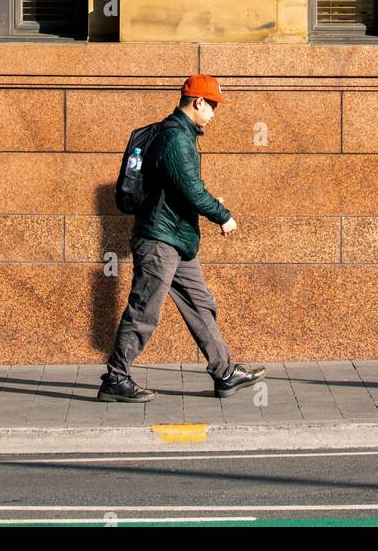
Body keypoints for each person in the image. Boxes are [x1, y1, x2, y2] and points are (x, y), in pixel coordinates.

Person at [98, 74, 267, 403]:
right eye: (213, 105)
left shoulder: (180, 135)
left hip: (177, 239)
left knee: (200, 304)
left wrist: (208, 201)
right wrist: (223, 215)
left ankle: (225, 372)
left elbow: (180, 187)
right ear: (198, 102)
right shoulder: (176, 137)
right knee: (144, 309)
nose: (215, 113)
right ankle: (115, 378)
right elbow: (190, 189)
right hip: (161, 241)